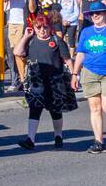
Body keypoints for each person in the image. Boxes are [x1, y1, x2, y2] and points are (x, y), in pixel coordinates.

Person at [15, 15, 75, 149]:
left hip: (55, 82)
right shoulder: (30, 41)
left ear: (50, 28)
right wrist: (25, 36)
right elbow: (17, 52)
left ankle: (58, 136)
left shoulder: (57, 41)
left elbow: (68, 60)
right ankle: (30, 140)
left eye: (45, 27)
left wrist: (74, 77)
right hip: (37, 82)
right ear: (34, 28)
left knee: (55, 111)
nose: (42, 30)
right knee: (34, 109)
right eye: (39, 27)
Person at [71, 0, 106, 153]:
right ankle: (98, 141)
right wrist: (74, 74)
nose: (95, 16)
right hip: (90, 71)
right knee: (95, 108)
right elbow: (80, 53)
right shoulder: (86, 32)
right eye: (92, 14)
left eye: (98, 13)